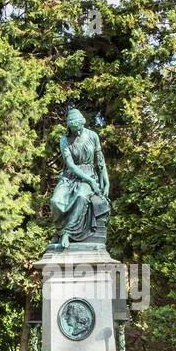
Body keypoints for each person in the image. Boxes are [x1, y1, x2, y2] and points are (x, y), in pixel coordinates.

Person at [49, 107, 110, 249]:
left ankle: (67, 233)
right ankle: (59, 231)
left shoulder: (93, 136)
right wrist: (90, 181)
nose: (77, 132)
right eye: (73, 129)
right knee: (55, 201)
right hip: (70, 176)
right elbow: (70, 165)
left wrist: (106, 182)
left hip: (88, 173)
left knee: (81, 196)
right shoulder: (64, 140)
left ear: (82, 123)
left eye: (79, 128)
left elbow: (100, 161)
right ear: (69, 126)